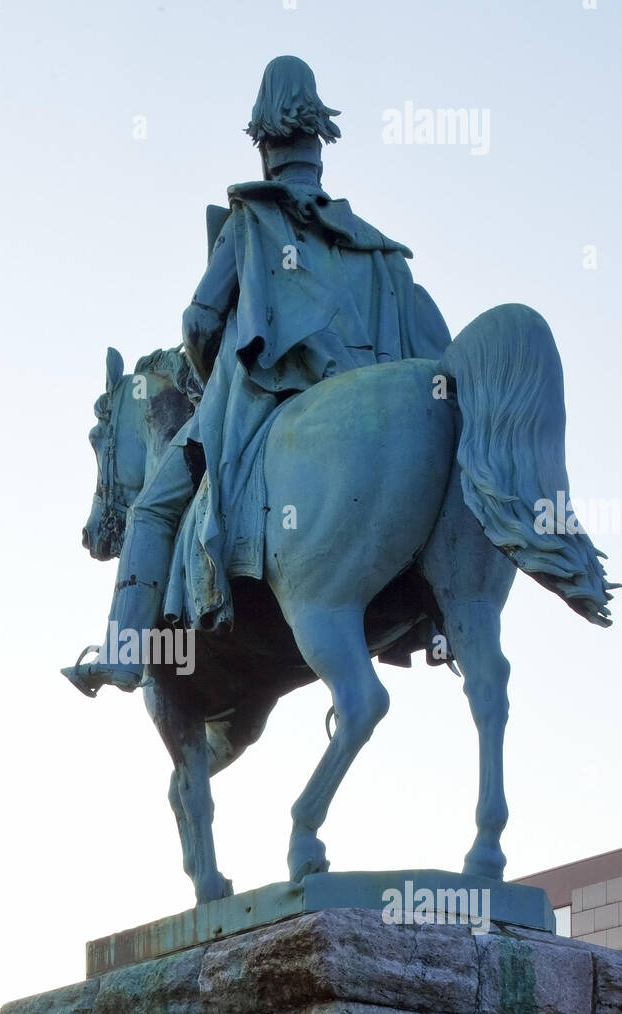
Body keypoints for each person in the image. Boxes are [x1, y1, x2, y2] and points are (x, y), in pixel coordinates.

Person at [65, 56, 451, 697]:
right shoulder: (377, 248)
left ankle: (126, 652)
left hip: (265, 397)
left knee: (153, 512)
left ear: (263, 137)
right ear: (318, 141)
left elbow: (197, 321)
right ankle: (433, 619)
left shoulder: (253, 220)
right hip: (370, 409)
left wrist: (212, 375)